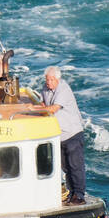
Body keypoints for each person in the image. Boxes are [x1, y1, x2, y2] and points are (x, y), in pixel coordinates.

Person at [37, 66, 87, 205]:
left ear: (57, 79)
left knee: (75, 166)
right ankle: (71, 193)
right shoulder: (45, 88)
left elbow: (53, 109)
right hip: (59, 135)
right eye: (47, 79)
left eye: (51, 80)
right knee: (65, 167)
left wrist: (35, 110)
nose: (49, 82)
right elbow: (42, 102)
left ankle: (79, 195)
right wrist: (39, 106)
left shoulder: (63, 90)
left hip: (72, 133)